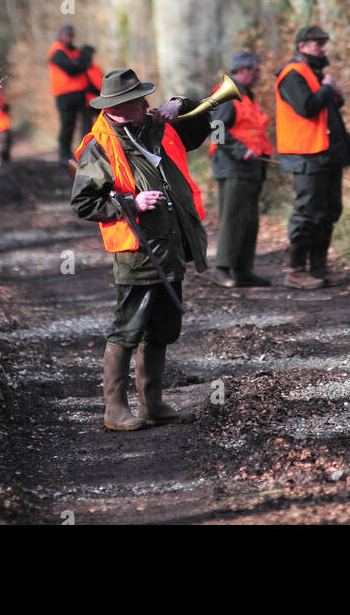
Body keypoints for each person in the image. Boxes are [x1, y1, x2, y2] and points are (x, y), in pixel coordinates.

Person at [70, 67, 211, 432]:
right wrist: (131, 204)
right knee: (127, 329)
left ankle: (153, 404)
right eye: (138, 102)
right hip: (137, 249)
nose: (146, 105)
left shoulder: (157, 127)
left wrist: (179, 104)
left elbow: (204, 126)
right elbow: (84, 204)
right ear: (118, 108)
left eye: (146, 99)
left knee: (163, 328)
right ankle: (115, 411)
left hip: (172, 245)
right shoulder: (97, 146)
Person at [275, 24, 350, 289]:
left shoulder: (314, 73)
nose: (323, 48)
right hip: (306, 155)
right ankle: (295, 270)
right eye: (318, 44)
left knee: (329, 211)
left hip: (326, 153)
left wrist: (335, 95)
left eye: (324, 43)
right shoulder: (292, 74)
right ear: (302, 47)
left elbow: (324, 110)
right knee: (308, 212)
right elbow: (306, 108)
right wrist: (327, 88)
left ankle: (319, 268)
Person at [209, 50, 273, 288]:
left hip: (252, 167)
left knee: (249, 219)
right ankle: (222, 270)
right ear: (244, 70)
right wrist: (239, 150)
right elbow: (215, 128)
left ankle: (243, 270)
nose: (259, 76)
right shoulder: (227, 93)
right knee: (233, 218)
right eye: (257, 71)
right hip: (233, 166)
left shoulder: (247, 95)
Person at [47, 26, 103, 165]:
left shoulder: (73, 51)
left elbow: (82, 64)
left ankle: (85, 153)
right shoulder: (56, 52)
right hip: (64, 95)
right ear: (60, 35)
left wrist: (79, 63)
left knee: (86, 126)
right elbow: (71, 69)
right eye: (66, 35)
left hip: (79, 94)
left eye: (71, 35)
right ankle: (64, 156)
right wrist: (79, 64)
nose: (69, 38)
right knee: (67, 125)